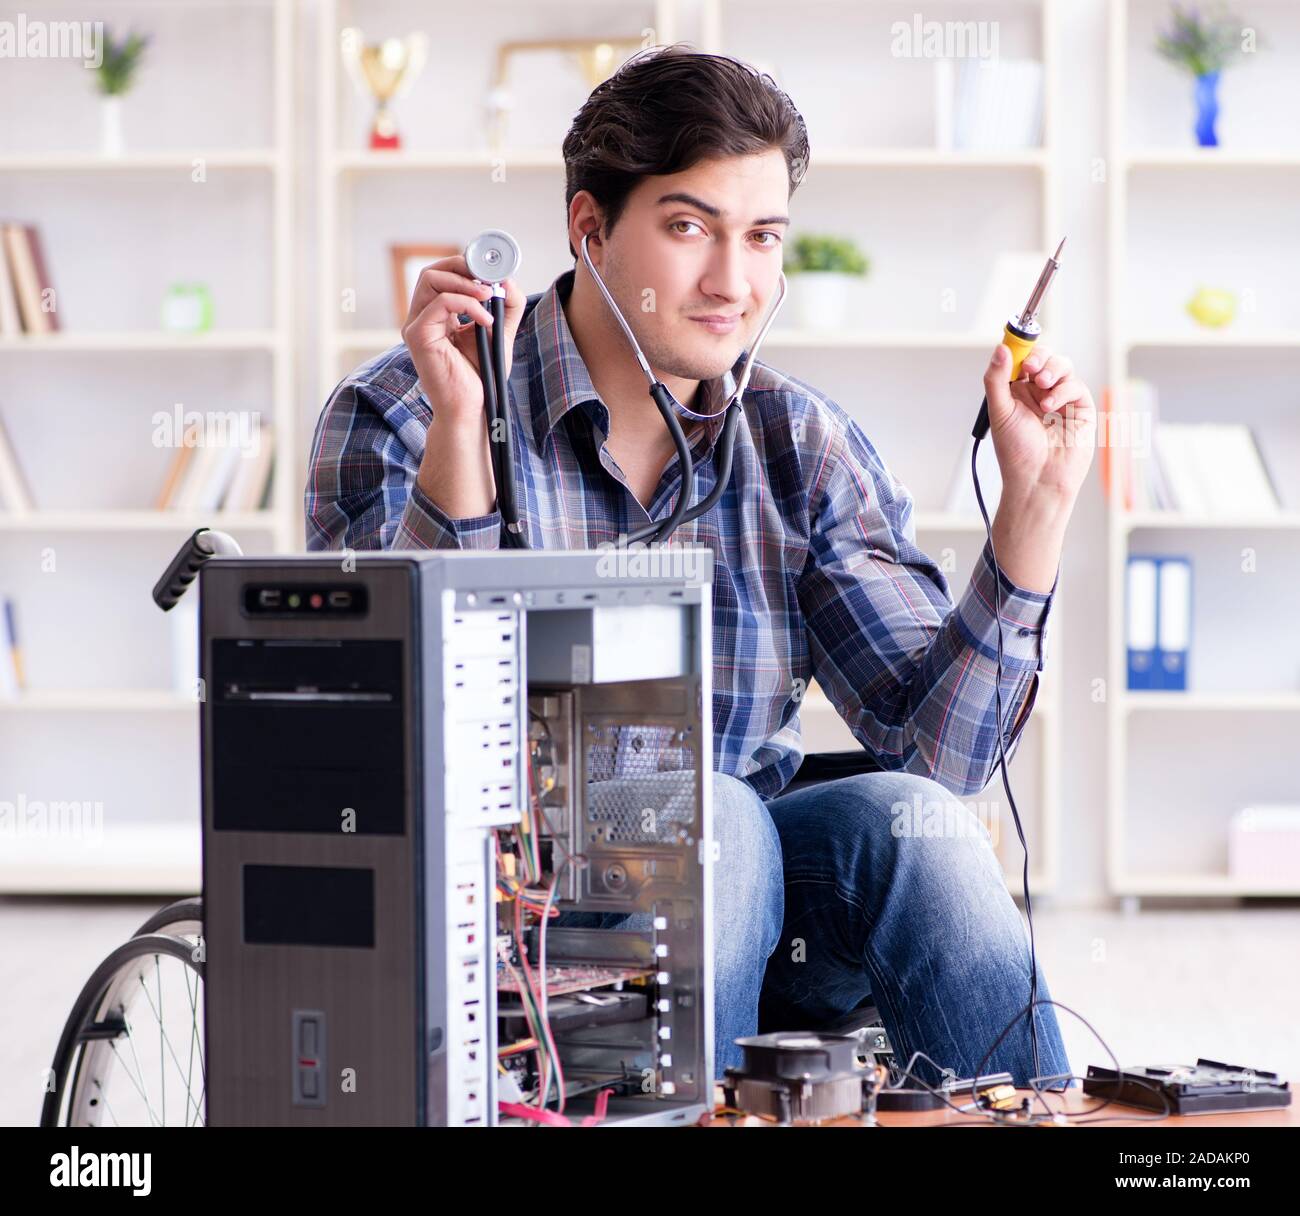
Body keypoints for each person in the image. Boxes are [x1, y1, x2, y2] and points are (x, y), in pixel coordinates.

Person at [305, 44, 1096, 1089]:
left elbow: (936, 767)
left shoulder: (798, 444)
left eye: (761, 236)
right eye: (689, 228)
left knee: (910, 830)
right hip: (499, 918)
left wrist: (1030, 520)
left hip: (757, 907)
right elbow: (378, 737)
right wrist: (463, 445)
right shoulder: (406, 413)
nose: (733, 283)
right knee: (708, 810)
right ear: (589, 230)